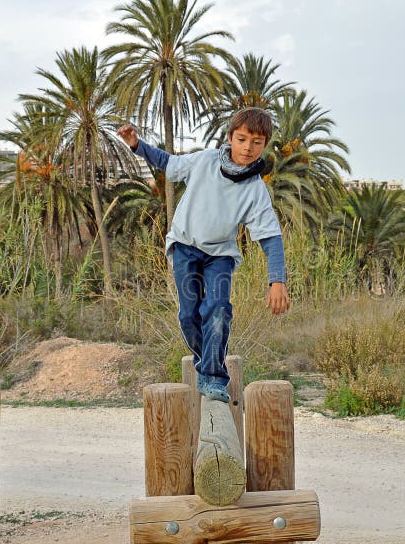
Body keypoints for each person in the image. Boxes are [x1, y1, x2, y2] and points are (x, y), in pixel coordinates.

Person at [117, 107, 290, 403]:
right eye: (242, 139)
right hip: (185, 247)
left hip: (219, 256)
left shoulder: (254, 189)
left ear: (264, 146)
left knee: (219, 310)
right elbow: (168, 164)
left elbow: (270, 236)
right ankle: (204, 361)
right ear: (230, 138)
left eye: (257, 142)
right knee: (189, 315)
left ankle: (212, 377)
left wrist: (278, 281)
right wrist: (136, 145)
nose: (248, 148)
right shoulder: (205, 161)